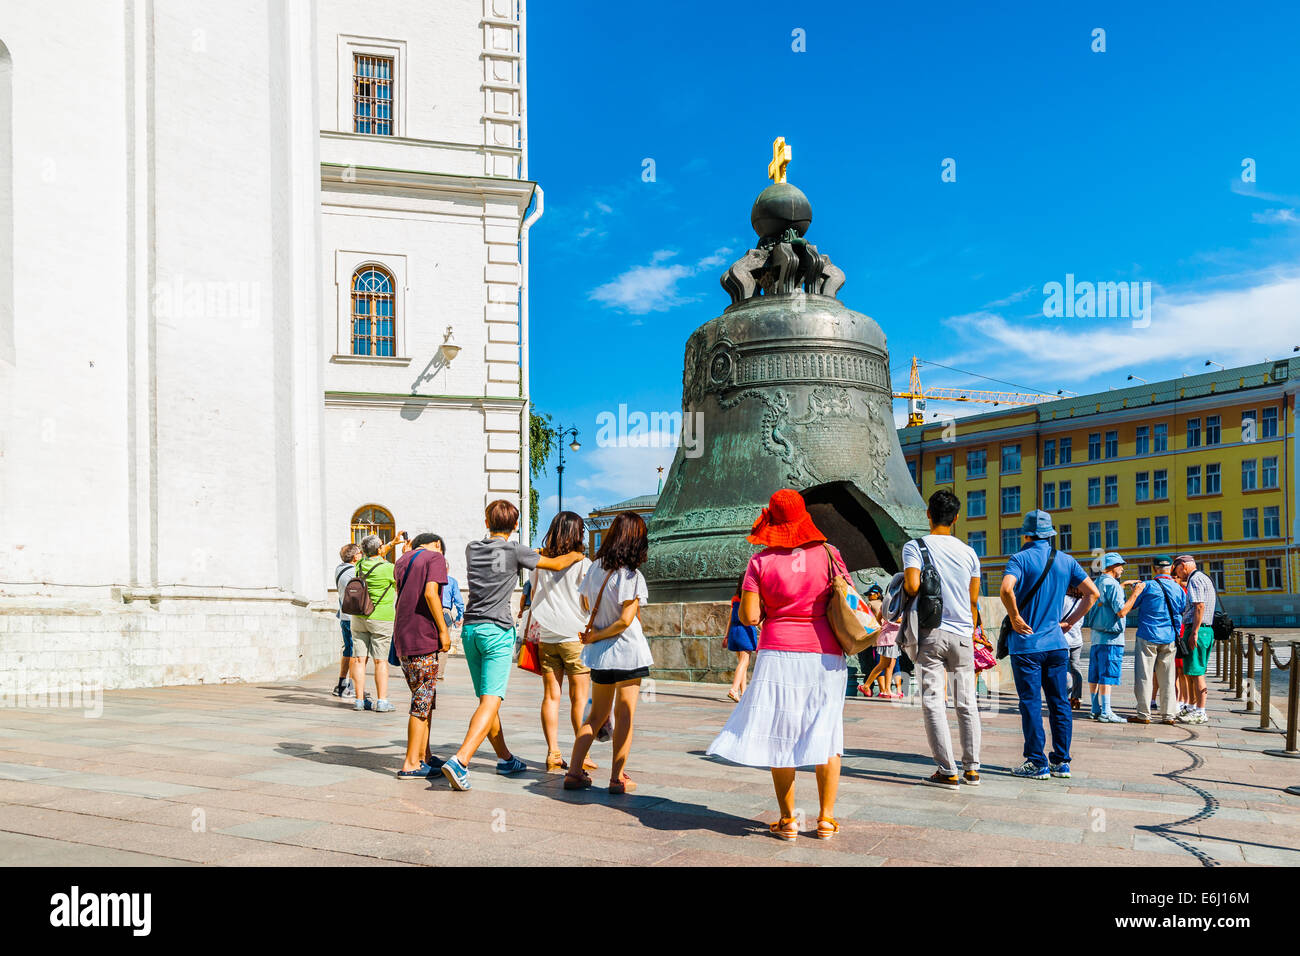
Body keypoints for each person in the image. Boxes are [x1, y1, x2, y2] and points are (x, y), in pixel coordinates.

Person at [706, 490, 849, 840]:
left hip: (777, 654)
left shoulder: (760, 562)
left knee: (781, 734)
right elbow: (846, 596)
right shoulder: (830, 554)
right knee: (826, 733)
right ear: (804, 518)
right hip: (825, 654)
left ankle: (788, 821)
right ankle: (826, 819)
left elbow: (750, 616)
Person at [440, 500, 585, 792]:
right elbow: (556, 564)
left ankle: (506, 758)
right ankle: (461, 760)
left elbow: (518, 556)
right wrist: (576, 554)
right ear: (516, 525)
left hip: (470, 629)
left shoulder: (472, 548)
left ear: (486, 520)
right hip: (496, 630)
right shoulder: (517, 550)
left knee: (485, 699)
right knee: (491, 700)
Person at [1000, 510, 1098, 779]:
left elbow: (1006, 589)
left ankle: (1036, 762)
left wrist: (1015, 616)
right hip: (1057, 644)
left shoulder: (1019, 558)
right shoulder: (1066, 561)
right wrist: (1068, 622)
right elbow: (1093, 593)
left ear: (1026, 533)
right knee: (1059, 702)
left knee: (1030, 703)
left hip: (1026, 645)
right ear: (1051, 534)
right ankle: (1061, 761)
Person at [563, 511, 655, 794]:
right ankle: (617, 778)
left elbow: (584, 603)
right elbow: (626, 621)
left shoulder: (594, 568)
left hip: (600, 656)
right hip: (628, 653)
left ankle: (574, 771)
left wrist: (594, 634)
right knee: (624, 715)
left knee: (595, 716)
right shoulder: (631, 575)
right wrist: (601, 632)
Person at [900, 489, 983, 790]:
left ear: (928, 515)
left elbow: (911, 585)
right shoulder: (970, 552)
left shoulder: (915, 547)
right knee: (967, 703)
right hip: (963, 635)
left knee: (934, 702)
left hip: (931, 634)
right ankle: (972, 770)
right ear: (956, 517)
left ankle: (947, 771)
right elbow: (973, 599)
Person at [524, 511, 597, 774]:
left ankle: (553, 752)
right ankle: (582, 754)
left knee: (551, 696)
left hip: (547, 635)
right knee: (579, 698)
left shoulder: (540, 562)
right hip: (575, 636)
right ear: (578, 534)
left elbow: (532, 594)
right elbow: (588, 602)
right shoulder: (583, 564)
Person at [392, 533, 452, 778]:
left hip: (403, 637)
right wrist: (443, 629)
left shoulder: (403, 560)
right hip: (423, 636)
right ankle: (411, 763)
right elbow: (430, 593)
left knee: (424, 698)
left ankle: (424, 755)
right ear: (437, 544)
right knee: (422, 700)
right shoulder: (434, 557)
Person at [1128, 556, 1187, 725]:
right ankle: (1168, 715)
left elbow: (1133, 604)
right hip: (1169, 637)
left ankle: (1144, 713)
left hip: (1148, 634)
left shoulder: (1147, 586)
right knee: (1168, 677)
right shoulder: (1178, 589)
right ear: (1170, 569)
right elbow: (1182, 610)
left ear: (1154, 569)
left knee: (1144, 675)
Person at [1085, 553, 1141, 722]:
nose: (1123, 568)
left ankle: (1095, 708)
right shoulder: (1113, 585)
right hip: (1112, 639)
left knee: (1095, 674)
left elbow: (1105, 600)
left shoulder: (1097, 582)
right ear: (1112, 566)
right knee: (1107, 675)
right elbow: (1121, 611)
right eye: (1120, 565)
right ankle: (1106, 711)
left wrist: (1122, 585)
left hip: (1096, 637)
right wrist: (1135, 594)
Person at [350, 534, 400, 713]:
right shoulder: (389, 568)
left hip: (359, 616)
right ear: (380, 550)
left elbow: (373, 552)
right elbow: (399, 584)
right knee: (380, 661)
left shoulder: (359, 565)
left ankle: (358, 700)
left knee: (358, 659)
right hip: (381, 617)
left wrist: (390, 544)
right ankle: (382, 701)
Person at [1173, 554, 1214, 724]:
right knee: (1191, 671)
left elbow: (1199, 606)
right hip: (1205, 629)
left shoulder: (1195, 580)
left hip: (1198, 629)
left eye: (1177, 571)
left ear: (1183, 565)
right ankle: (1191, 707)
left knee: (1197, 673)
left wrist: (1194, 632)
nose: (1178, 575)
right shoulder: (1204, 577)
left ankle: (1200, 711)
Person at [724, 572, 759, 703]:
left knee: (741, 663)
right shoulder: (750, 598)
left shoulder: (735, 598)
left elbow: (730, 617)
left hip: (734, 630)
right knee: (745, 661)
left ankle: (743, 693)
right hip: (745, 630)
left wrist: (726, 635)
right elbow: (754, 617)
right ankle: (733, 690)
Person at [332, 543, 361, 698]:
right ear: (355, 556)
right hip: (353, 617)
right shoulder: (353, 571)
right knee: (355, 653)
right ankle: (349, 687)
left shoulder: (339, 569)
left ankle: (341, 685)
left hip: (344, 615)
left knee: (348, 650)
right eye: (360, 554)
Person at [861, 583, 900, 698]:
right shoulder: (886, 604)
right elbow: (891, 619)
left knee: (890, 665)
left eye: (870, 594)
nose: (869, 596)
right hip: (888, 638)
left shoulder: (891, 603)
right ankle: (867, 686)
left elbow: (877, 620)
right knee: (883, 664)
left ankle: (886, 690)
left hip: (891, 638)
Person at [1061, 585, 1086, 710]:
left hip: (1063, 639)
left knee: (1066, 670)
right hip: (1077, 639)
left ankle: (1065, 698)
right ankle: (1076, 698)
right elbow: (1081, 622)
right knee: (1076, 668)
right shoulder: (1083, 601)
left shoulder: (1062, 599)